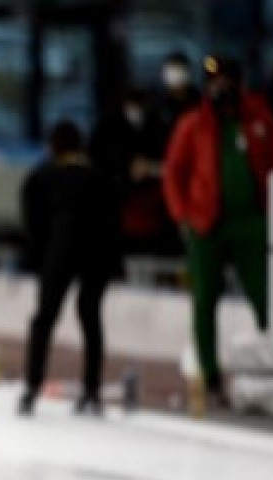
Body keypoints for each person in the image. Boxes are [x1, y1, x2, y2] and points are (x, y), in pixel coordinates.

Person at [163, 56, 273, 409]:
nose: (219, 88)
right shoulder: (194, 124)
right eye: (213, 82)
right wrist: (182, 215)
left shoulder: (260, 120)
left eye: (225, 81)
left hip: (252, 223)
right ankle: (210, 376)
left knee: (267, 299)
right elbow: (173, 172)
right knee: (204, 301)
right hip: (206, 225)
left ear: (238, 83)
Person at [18, 121, 121, 417]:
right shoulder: (100, 177)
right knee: (90, 317)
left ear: (53, 146)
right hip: (96, 254)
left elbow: (33, 219)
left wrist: (40, 252)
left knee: (45, 319)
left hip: (60, 252)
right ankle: (91, 390)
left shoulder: (43, 175)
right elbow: (112, 220)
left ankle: (32, 387)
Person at [89, 87, 180, 260]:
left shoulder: (157, 123)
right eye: (132, 106)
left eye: (140, 107)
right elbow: (99, 156)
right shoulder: (108, 125)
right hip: (117, 189)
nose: (136, 112)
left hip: (154, 189)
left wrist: (151, 166)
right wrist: (126, 165)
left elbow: (171, 154)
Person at [156, 51, 203, 134]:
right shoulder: (159, 108)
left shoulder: (200, 105)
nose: (176, 80)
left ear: (188, 75)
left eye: (180, 73)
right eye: (172, 74)